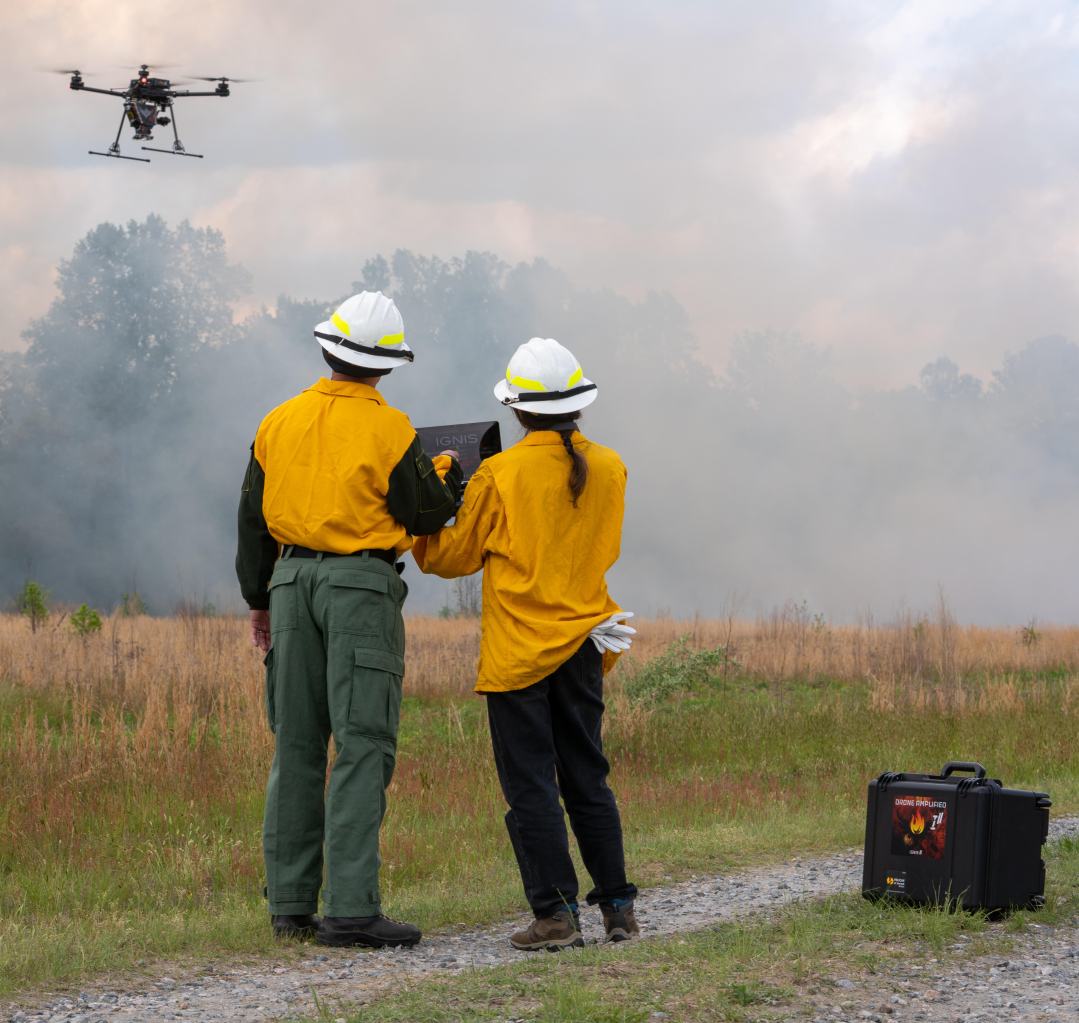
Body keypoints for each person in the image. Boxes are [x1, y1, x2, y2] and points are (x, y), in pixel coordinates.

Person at [235, 291, 462, 948]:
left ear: (326, 348)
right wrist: (447, 474)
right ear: (387, 366)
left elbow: (252, 521)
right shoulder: (392, 430)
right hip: (359, 584)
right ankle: (353, 907)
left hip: (287, 582)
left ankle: (289, 905)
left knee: (298, 744)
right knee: (362, 743)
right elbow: (424, 514)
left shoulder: (276, 422)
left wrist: (260, 599)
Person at [412, 337, 639, 951]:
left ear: (516, 410)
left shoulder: (500, 473)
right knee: (588, 775)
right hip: (588, 643)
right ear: (579, 405)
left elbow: (451, 558)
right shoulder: (613, 467)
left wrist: (438, 494)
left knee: (531, 786)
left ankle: (556, 917)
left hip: (519, 656)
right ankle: (618, 906)